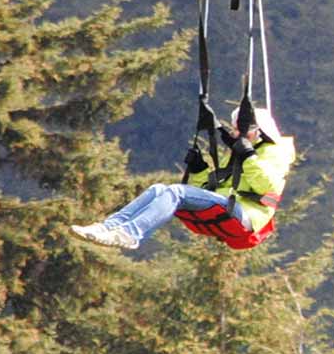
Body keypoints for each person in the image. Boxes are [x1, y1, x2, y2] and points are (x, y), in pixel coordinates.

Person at [71, 105, 296, 250]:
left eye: (241, 130)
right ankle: (110, 227)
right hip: (227, 207)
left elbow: (267, 186)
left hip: (247, 216)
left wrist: (247, 155)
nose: (236, 134)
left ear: (259, 131)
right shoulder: (242, 152)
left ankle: (130, 234)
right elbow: (212, 192)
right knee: (160, 189)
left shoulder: (275, 152)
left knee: (175, 192)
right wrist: (198, 170)